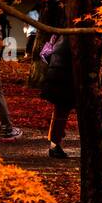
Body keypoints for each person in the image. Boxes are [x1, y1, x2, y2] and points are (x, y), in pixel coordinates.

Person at [38, 26, 75, 158]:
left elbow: (44, 54)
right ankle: (54, 145)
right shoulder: (75, 36)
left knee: (60, 111)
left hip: (55, 74)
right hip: (65, 77)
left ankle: (54, 144)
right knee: (62, 111)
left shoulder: (57, 33)